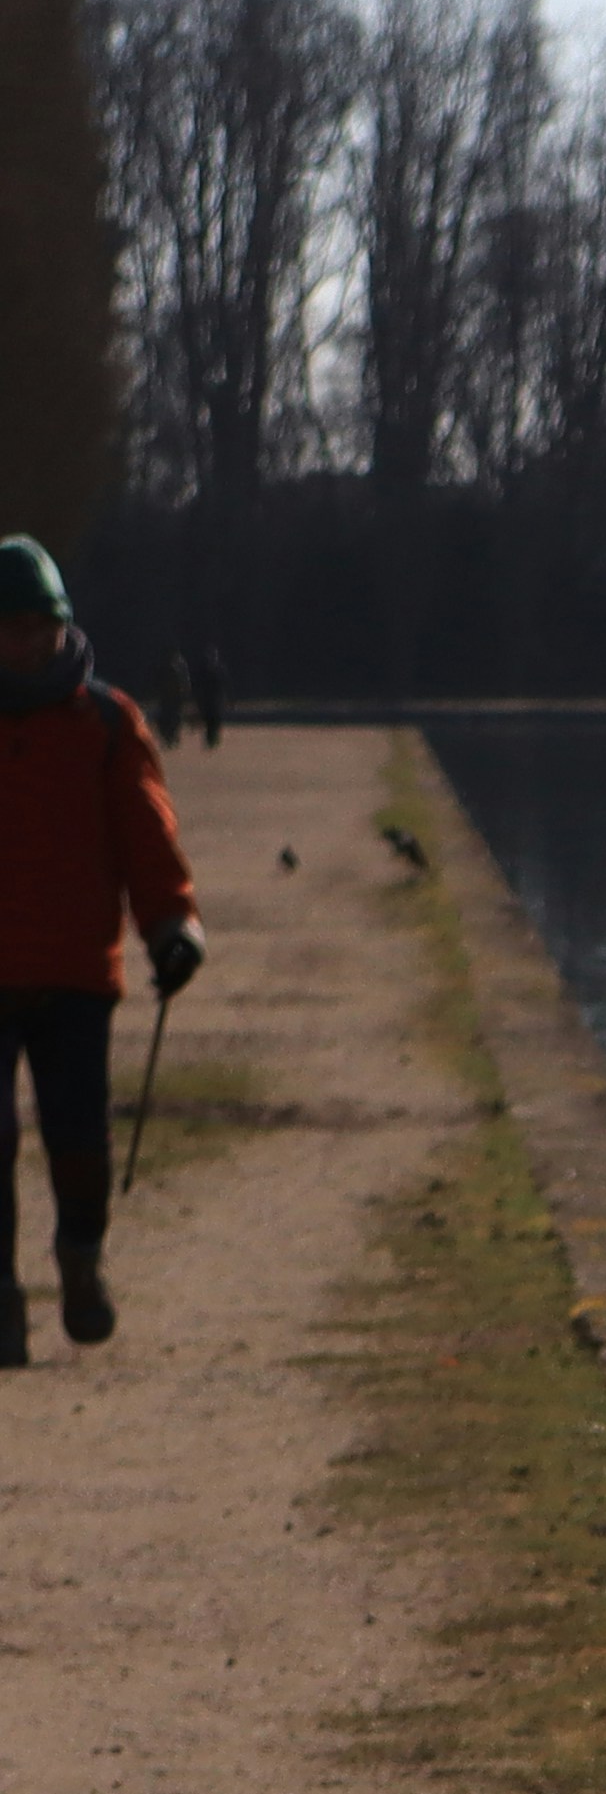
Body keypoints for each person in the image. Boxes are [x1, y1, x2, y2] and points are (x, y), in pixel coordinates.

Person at [0, 538, 201, 1361]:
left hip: (80, 972)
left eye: (34, 627)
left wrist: (173, 926)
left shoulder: (110, 724)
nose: (20, 644)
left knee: (79, 1137)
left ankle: (79, 1260)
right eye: (7, 628)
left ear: (61, 627)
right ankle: (1, 1304)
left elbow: (147, 841)